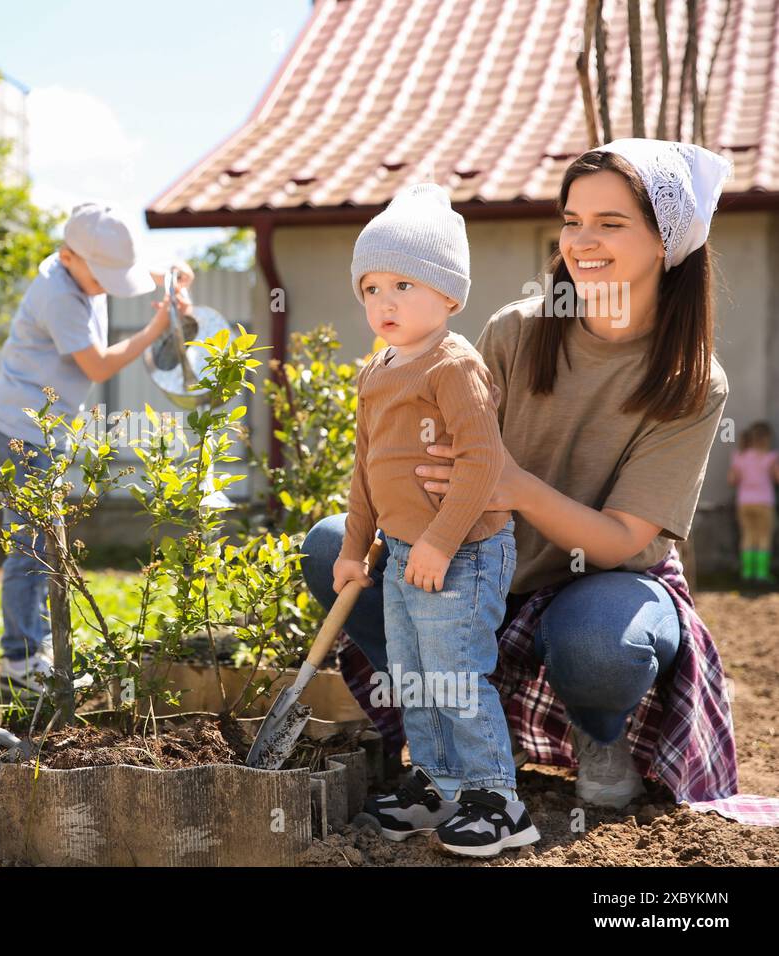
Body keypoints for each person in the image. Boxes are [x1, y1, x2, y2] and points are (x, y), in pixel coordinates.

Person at [301, 139, 738, 822]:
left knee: (601, 644)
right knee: (333, 546)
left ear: (665, 243)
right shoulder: (516, 332)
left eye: (611, 223)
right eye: (572, 220)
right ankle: (451, 736)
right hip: (490, 560)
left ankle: (600, 736)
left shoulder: (691, 382)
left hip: (604, 579)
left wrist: (515, 485)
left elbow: (623, 539)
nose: (582, 241)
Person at [335, 183, 538, 857]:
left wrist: (441, 540)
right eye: (370, 289)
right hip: (400, 554)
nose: (383, 303)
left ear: (449, 296)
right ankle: (436, 782)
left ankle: (496, 798)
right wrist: (354, 550)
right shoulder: (376, 374)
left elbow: (483, 463)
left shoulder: (455, 366)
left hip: (465, 553)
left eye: (402, 284)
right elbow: (365, 471)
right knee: (414, 673)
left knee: (455, 672)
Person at [0, 202, 193, 692]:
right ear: (68, 255)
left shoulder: (81, 271)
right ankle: (20, 660)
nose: (105, 286)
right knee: (32, 547)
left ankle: (36, 649)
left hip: (42, 431)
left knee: (45, 545)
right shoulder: (58, 295)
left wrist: (178, 282)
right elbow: (97, 366)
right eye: (102, 277)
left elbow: (171, 271)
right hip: (18, 432)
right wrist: (155, 329)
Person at [727, 421, 778, 585]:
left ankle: (747, 573)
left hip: (744, 502)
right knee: (763, 537)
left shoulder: (739, 456)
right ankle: (761, 574)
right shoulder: (771, 457)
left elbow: (732, 480)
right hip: (764, 502)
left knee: (748, 536)